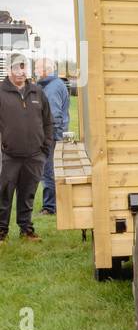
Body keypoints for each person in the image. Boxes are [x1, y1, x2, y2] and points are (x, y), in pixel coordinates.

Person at [0, 54, 54, 242]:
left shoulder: (37, 92)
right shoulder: (1, 91)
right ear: (8, 70)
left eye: (23, 67)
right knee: (4, 195)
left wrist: (44, 148)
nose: (20, 71)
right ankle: (1, 232)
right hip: (8, 157)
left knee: (28, 194)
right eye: (16, 67)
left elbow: (48, 122)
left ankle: (26, 230)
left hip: (34, 156)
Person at [37, 59, 71, 215]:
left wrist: (47, 136)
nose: (36, 71)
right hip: (53, 134)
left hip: (51, 135)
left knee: (48, 170)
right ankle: (54, 205)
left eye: (37, 68)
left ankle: (50, 207)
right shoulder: (53, 84)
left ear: (45, 70)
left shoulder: (52, 88)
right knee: (49, 170)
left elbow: (54, 114)